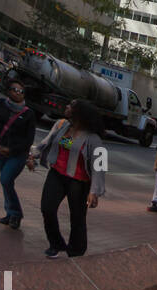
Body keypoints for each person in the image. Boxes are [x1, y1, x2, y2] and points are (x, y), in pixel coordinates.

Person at [36, 99, 105, 258]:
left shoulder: (93, 139)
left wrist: (94, 191)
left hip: (78, 182)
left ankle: (76, 250)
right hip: (57, 175)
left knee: (77, 217)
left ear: (79, 113)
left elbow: (99, 167)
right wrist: (33, 154)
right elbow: (47, 142)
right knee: (47, 208)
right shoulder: (61, 125)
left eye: (70, 106)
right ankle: (56, 244)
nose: (66, 107)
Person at [0, 78, 36, 230]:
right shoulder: (1, 104)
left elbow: (29, 140)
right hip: (1, 149)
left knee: (5, 179)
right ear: (9, 91)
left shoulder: (29, 114)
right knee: (6, 182)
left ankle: (16, 213)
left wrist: (11, 150)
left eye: (21, 91)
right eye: (15, 90)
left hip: (17, 154)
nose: (18, 93)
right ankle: (10, 213)